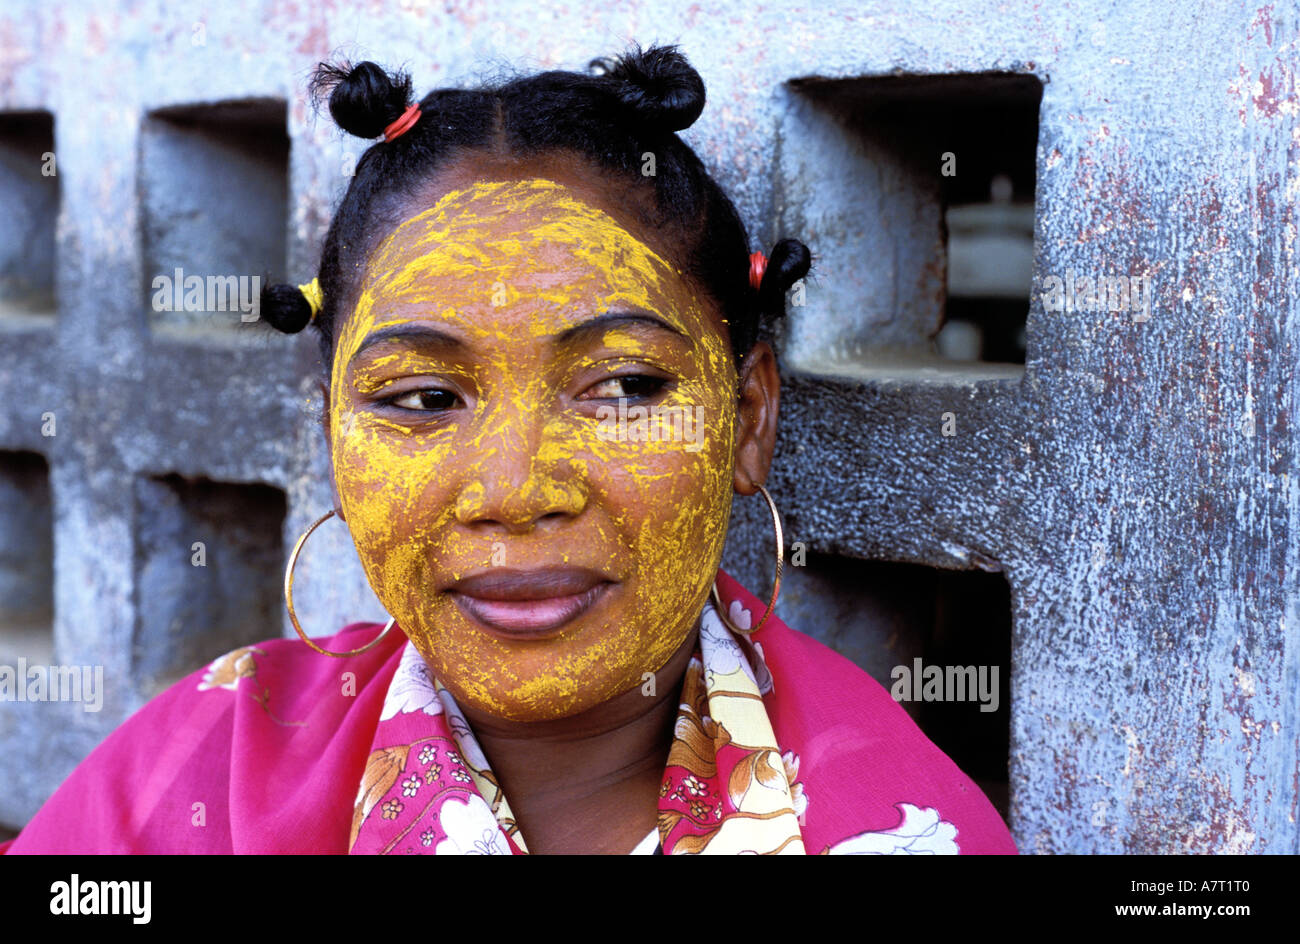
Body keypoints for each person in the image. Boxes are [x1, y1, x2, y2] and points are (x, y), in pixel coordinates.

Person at [3, 43, 1016, 855]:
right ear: (330, 432)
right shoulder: (196, 780)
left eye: (623, 385)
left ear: (747, 418)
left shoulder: (890, 823)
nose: (514, 488)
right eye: (423, 396)